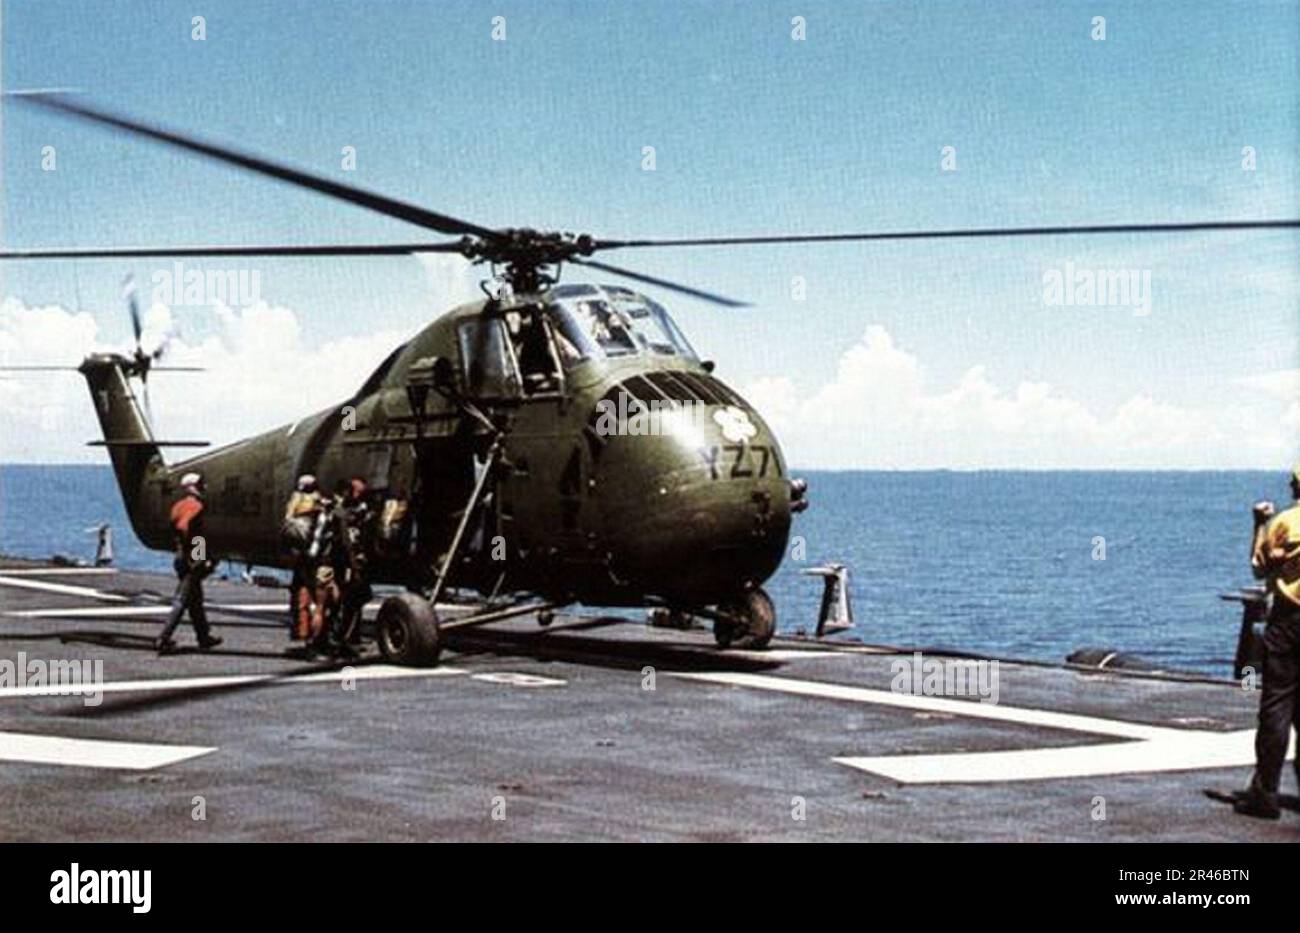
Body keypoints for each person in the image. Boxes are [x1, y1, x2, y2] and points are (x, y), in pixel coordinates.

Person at [1235, 465, 1300, 819]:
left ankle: (1265, 793)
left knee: (1277, 706)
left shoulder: (1283, 524)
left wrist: (1259, 522)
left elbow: (1258, 567)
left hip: (1288, 622)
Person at [156, 472, 222, 654]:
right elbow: (187, 529)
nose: (204, 488)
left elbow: (176, 530)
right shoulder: (195, 506)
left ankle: (203, 636)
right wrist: (199, 557)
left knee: (195, 601)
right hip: (191, 560)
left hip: (181, 557)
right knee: (182, 600)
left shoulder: (178, 505)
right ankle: (163, 638)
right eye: (201, 484)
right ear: (194, 487)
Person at [331, 477, 373, 657]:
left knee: (355, 601)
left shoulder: (355, 513)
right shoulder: (341, 514)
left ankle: (349, 637)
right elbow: (347, 543)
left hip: (353, 564)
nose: (359, 496)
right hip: (345, 565)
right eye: (356, 492)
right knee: (349, 601)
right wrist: (354, 565)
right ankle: (343, 639)